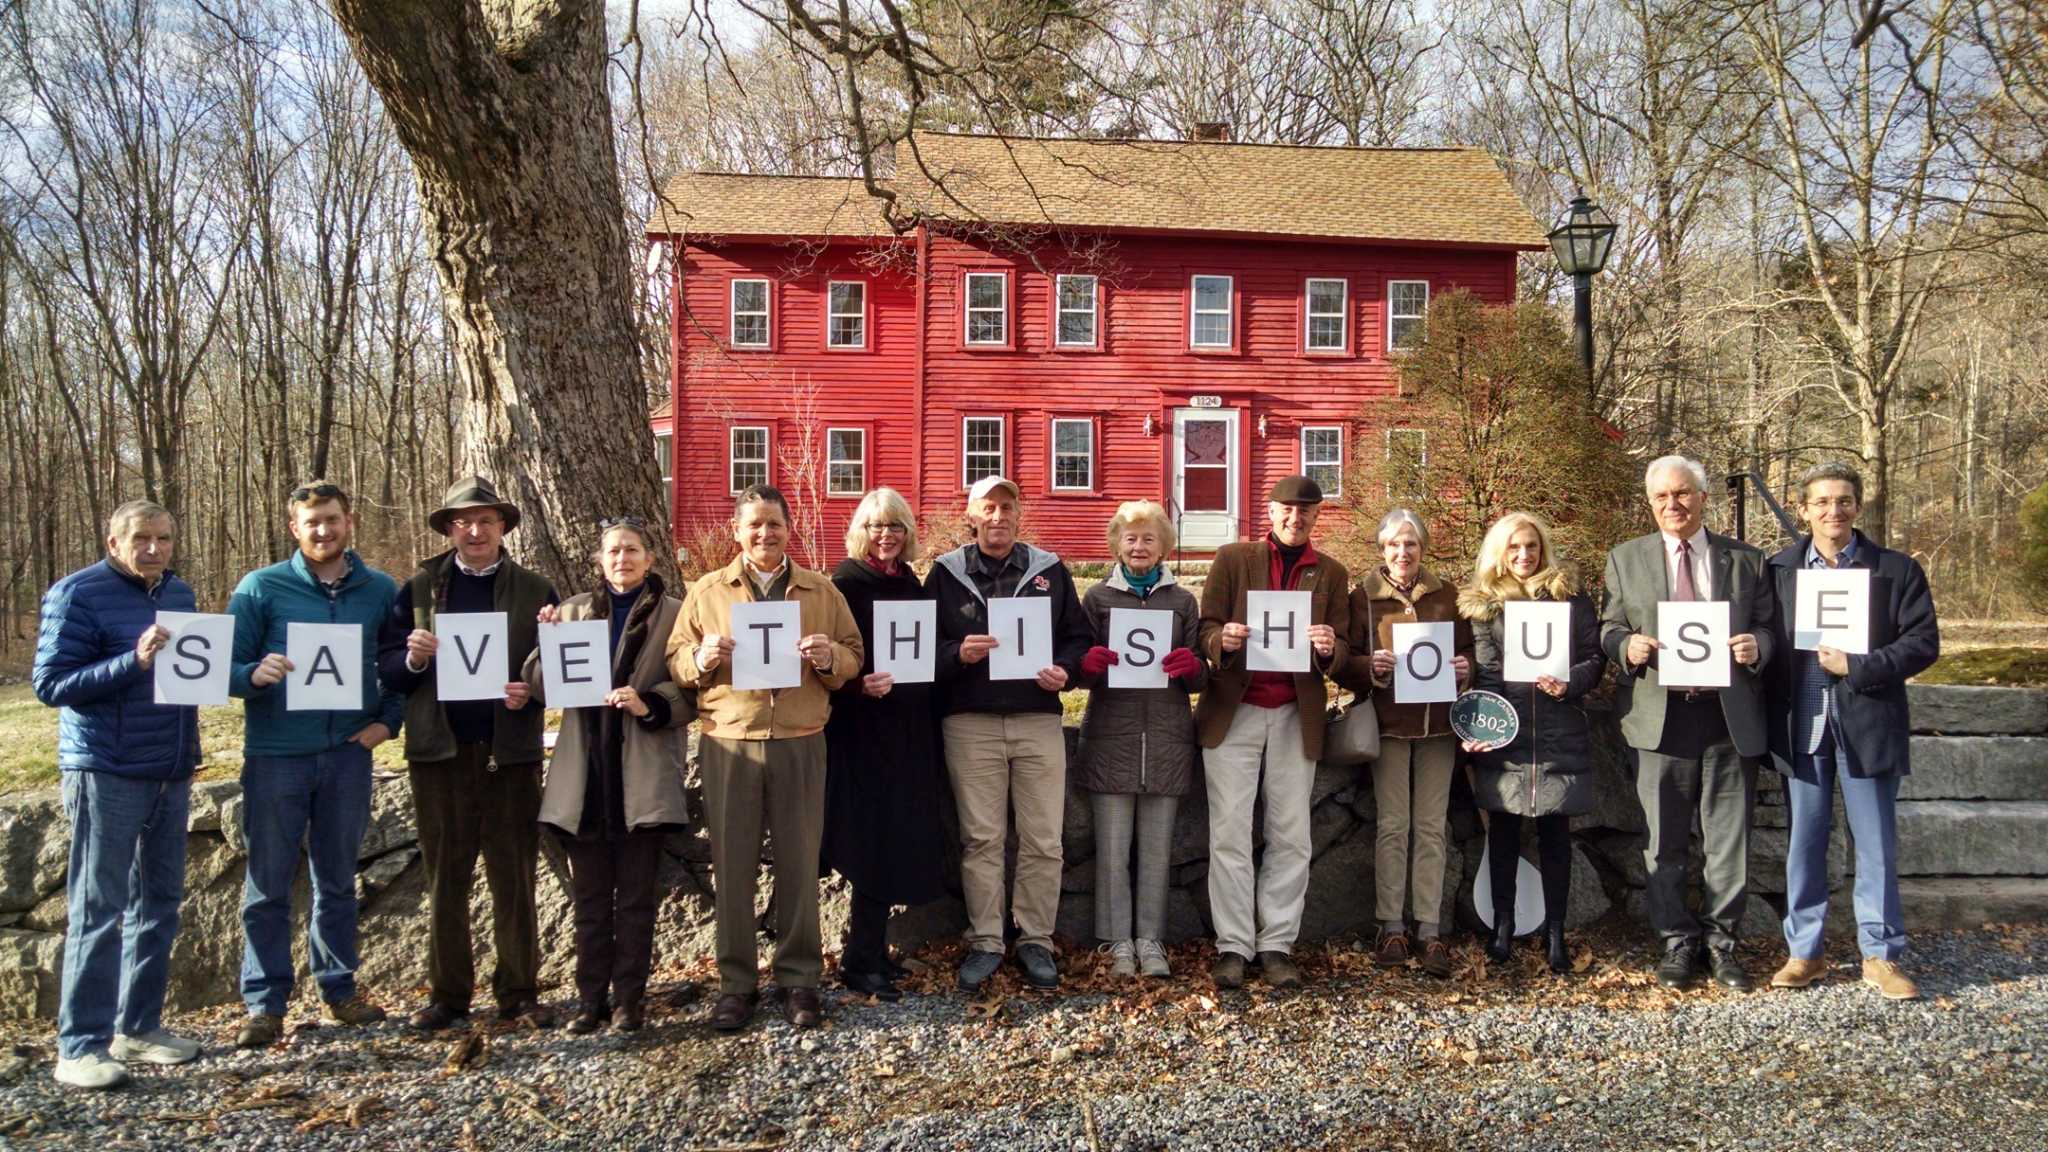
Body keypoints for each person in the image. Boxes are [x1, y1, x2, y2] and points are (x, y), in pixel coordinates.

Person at [670, 484, 863, 1032]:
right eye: (754, 524)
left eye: (774, 523)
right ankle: (736, 983)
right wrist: (700, 657)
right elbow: (677, 659)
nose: (764, 533)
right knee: (732, 863)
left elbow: (853, 653)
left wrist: (830, 659)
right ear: (737, 531)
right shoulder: (708, 592)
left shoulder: (820, 590)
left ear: (788, 528)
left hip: (801, 736)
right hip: (731, 738)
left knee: (800, 861)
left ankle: (799, 978)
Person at [32, 501, 203, 1089]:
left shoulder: (179, 596)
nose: (153, 548)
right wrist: (131, 661)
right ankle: (79, 1045)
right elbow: (51, 684)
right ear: (113, 542)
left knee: (159, 904)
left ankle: (138, 1028)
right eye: (141, 539)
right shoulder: (77, 594)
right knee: (98, 909)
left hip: (170, 770)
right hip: (105, 770)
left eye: (163, 538)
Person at [378, 477, 559, 1032]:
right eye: (463, 521)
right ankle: (448, 996)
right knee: (446, 878)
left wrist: (534, 691)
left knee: (514, 876)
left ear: (503, 527)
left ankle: (520, 991)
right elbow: (384, 671)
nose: (475, 531)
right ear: (449, 529)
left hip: (510, 753)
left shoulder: (535, 590)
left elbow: (563, 673)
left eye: (485, 520)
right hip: (440, 752)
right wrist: (411, 659)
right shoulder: (417, 589)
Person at [228, 481, 403, 1047]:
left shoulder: (379, 590)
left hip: (347, 755)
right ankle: (265, 1001)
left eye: (332, 519)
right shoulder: (260, 589)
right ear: (294, 529)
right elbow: (224, 666)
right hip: (277, 754)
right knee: (268, 881)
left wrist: (388, 722)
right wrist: (251, 676)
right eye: (312, 523)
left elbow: (398, 663)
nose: (323, 531)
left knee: (337, 879)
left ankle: (338, 987)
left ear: (348, 521)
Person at [1600, 455, 1776, 990]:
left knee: (1728, 842)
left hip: (1726, 718)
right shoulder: (1625, 559)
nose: (1672, 505)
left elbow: (1771, 629)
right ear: (1650, 503)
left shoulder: (1747, 560)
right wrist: (1625, 645)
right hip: (1661, 718)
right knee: (1665, 841)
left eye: (1682, 494)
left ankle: (1723, 945)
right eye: (1661, 497)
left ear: (1703, 497)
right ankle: (1676, 941)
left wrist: (1757, 646)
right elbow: (1608, 627)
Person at [1764, 462, 1938, 1001]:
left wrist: (1859, 665)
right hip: (1804, 726)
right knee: (1805, 844)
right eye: (1821, 502)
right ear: (1804, 509)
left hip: (1868, 725)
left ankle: (1881, 956)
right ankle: (1805, 952)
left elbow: (1922, 643)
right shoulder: (1779, 570)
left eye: (1842, 501)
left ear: (1857, 507)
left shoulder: (1894, 570)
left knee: (1877, 845)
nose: (1832, 511)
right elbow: (1764, 638)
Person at [524, 516, 694, 1033]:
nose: (623, 559)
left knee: (638, 899)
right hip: (587, 774)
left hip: (641, 775)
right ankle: (589, 999)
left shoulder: (675, 615)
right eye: (614, 552)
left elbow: (691, 689)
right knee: (591, 900)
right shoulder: (572, 612)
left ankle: (629, 1001)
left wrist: (649, 703)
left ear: (650, 558)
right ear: (599, 560)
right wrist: (545, 641)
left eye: (633, 550)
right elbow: (538, 686)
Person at [930, 476, 1092, 993]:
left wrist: (1066, 671)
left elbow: (1079, 640)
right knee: (981, 838)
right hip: (969, 722)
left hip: (1037, 718)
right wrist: (958, 654)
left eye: (1007, 507)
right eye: (988, 508)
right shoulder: (945, 574)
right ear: (971, 515)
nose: (998, 516)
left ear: (1018, 515)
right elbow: (921, 650)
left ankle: (1036, 939)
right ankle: (985, 941)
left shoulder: (1049, 571)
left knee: (1044, 837)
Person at [1195, 476, 1349, 991]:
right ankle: (1234, 946)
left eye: (1305, 511)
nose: (1295, 518)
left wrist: (1330, 649)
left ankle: (1277, 943)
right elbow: (1204, 631)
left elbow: (1345, 655)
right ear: (1271, 509)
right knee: (1231, 833)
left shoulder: (1330, 573)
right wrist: (1224, 639)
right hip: (1234, 712)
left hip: (1293, 713)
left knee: (1290, 834)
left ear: (1315, 517)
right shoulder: (1233, 559)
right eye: (1287, 509)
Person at [1459, 511, 1605, 974]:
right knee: (1501, 833)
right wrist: (1483, 730)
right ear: (1500, 552)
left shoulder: (1570, 599)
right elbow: (1487, 674)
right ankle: (1502, 928)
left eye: (1533, 547)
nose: (1525, 556)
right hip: (1510, 734)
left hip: (1559, 732)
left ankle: (1556, 932)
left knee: (1554, 835)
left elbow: (1593, 656)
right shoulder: (1485, 607)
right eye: (1515, 547)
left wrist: (1569, 683)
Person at [821, 489, 948, 1001]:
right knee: (868, 840)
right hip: (862, 729)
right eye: (876, 526)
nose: (886, 535)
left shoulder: (914, 585)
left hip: (909, 726)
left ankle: (876, 954)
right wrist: (857, 686)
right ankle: (858, 959)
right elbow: (832, 657)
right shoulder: (845, 584)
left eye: (895, 526)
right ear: (862, 531)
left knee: (898, 836)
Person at [1075, 501, 1206, 979]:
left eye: (1148, 538)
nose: (1139, 546)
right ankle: (1116, 942)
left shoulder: (1183, 601)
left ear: (1163, 547)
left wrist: (1194, 669)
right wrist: (1086, 666)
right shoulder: (1097, 599)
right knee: (1112, 849)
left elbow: (1200, 675)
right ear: (1116, 545)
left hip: (1168, 738)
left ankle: (1150, 939)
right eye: (1130, 538)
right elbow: (1077, 667)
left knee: (1156, 848)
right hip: (1112, 734)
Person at [1341, 508, 1471, 979]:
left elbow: (1468, 650)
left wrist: (1464, 668)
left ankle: (1429, 929)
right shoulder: (1364, 598)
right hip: (1390, 723)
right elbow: (1345, 657)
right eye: (1394, 544)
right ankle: (1391, 925)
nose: (1403, 552)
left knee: (1431, 827)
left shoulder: (1446, 595)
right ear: (1382, 549)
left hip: (1437, 727)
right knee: (1394, 825)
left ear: (1423, 548)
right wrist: (1366, 667)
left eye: (1411, 543)